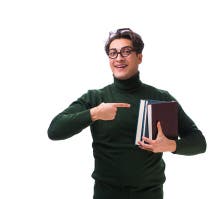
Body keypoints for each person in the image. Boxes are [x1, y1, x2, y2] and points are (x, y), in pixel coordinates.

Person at [48, 28, 207, 199]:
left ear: (139, 57)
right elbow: (55, 130)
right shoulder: (96, 98)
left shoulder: (161, 98)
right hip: (106, 194)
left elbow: (199, 142)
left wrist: (171, 146)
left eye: (126, 51)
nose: (119, 58)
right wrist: (94, 114)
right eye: (113, 53)